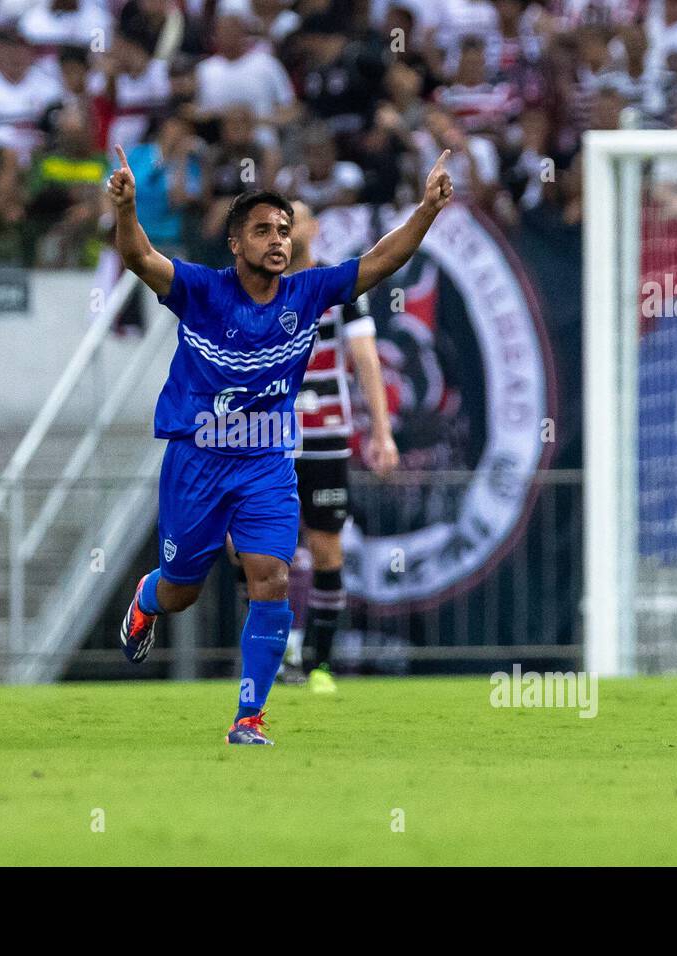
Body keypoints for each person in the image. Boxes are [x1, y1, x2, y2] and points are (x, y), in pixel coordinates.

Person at [107, 143, 453, 745]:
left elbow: (380, 260)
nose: (278, 239)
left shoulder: (308, 293)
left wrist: (425, 211)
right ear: (236, 243)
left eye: (285, 230)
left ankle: (248, 717)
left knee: (270, 576)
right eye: (263, 229)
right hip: (198, 458)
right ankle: (148, 598)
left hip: (267, 461)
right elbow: (137, 254)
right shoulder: (200, 290)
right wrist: (127, 208)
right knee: (182, 589)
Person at [277, 200, 399, 693]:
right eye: (277, 224)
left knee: (327, 551)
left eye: (293, 220)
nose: (286, 230)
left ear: (313, 228)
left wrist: (382, 432)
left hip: (325, 437)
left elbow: (365, 357)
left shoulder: (339, 285)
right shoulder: (261, 284)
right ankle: (280, 651)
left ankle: (317, 663)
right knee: (256, 550)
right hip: (269, 439)